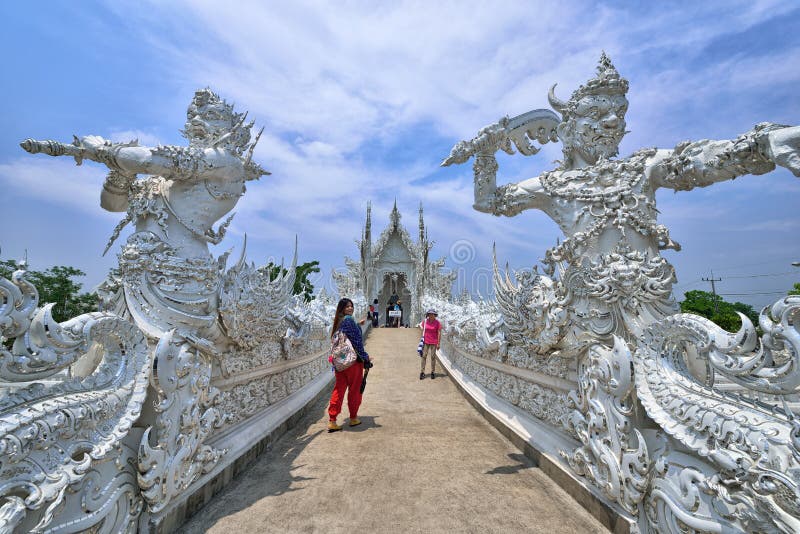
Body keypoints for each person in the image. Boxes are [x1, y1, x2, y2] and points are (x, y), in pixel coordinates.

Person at [328, 298, 372, 432]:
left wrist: (358, 324)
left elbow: (347, 335)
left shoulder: (339, 322)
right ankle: (353, 418)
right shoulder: (349, 320)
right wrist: (365, 358)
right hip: (353, 363)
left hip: (340, 363)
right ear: (342, 308)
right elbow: (356, 342)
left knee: (338, 390)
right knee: (354, 390)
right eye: (347, 306)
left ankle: (332, 420)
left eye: (351, 306)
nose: (350, 308)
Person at [418, 309, 442, 379]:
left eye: (432, 314)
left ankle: (433, 372)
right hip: (426, 341)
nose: (431, 315)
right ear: (428, 315)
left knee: (433, 357)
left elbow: (439, 333)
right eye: (429, 314)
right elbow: (421, 328)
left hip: (434, 342)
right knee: (424, 356)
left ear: (435, 315)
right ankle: (422, 372)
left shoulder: (437, 323)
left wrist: (438, 343)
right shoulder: (425, 321)